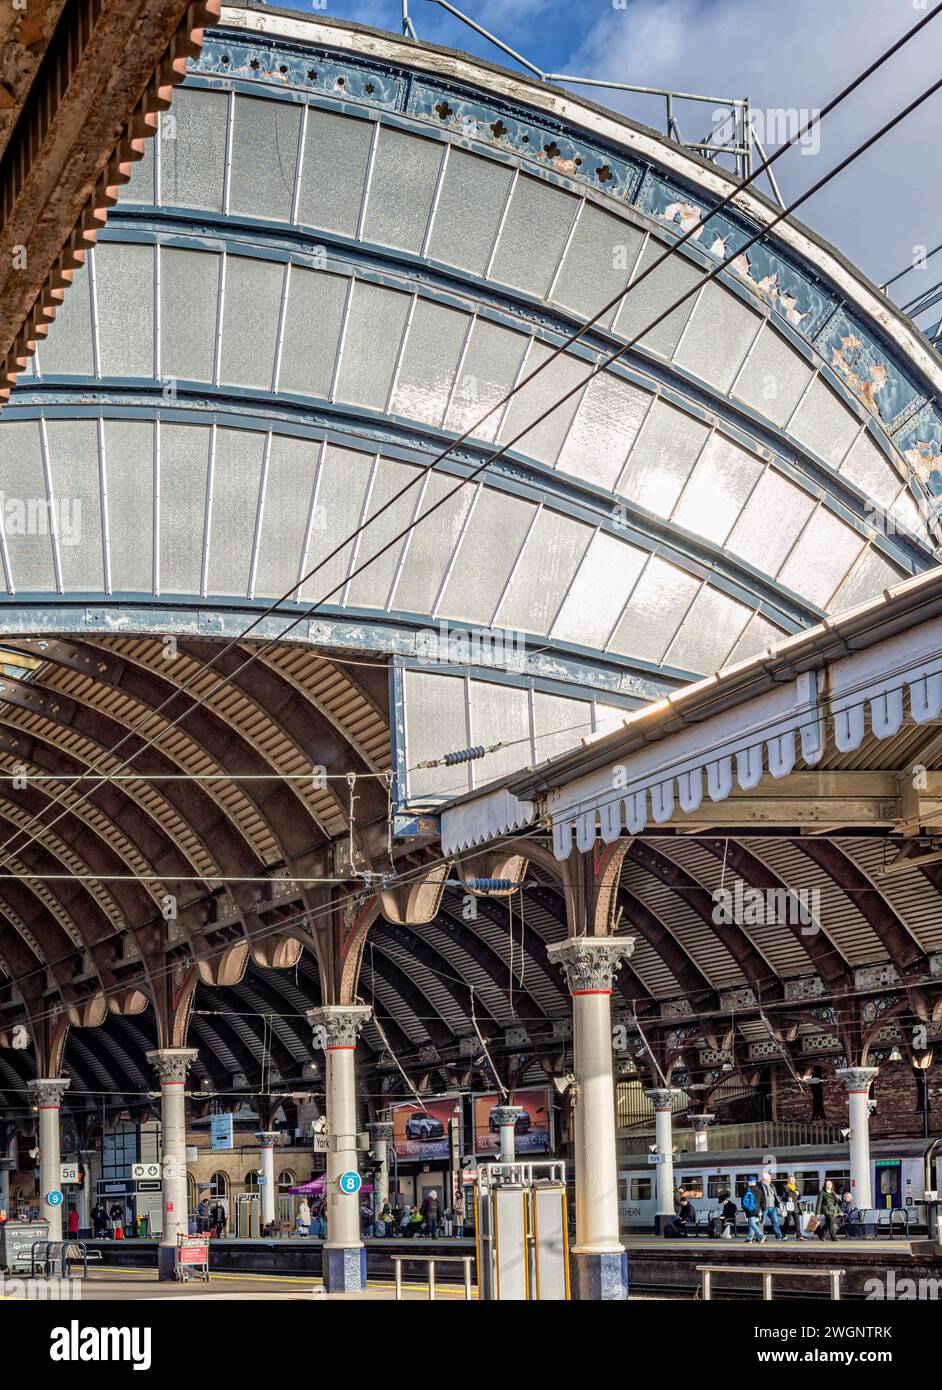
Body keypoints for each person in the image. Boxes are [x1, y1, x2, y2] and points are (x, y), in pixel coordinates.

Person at [758, 1170, 786, 1241]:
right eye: (769, 1178)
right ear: (765, 1179)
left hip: (772, 1207)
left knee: (775, 1221)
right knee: (762, 1222)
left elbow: (775, 1195)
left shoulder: (771, 1185)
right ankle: (761, 1236)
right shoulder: (759, 1186)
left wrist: (777, 1203)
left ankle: (779, 1236)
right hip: (764, 1207)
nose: (770, 1179)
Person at [742, 1178, 765, 1243]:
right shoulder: (759, 1190)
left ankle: (761, 1235)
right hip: (757, 1209)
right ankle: (749, 1238)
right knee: (751, 1223)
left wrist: (744, 1207)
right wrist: (763, 1208)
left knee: (752, 1223)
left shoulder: (747, 1189)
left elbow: (743, 1199)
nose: (748, 1183)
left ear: (750, 1182)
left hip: (750, 1209)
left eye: (748, 1182)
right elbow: (763, 1200)